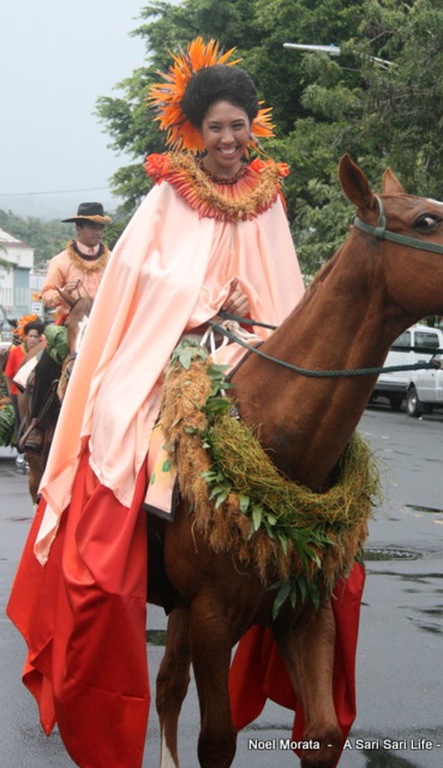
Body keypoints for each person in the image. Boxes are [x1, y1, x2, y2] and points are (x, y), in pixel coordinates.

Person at [6, 38, 358, 768]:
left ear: (252, 128)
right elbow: (143, 280)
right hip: (172, 348)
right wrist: (204, 303)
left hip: (251, 347)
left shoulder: (268, 196)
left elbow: (285, 286)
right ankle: (139, 547)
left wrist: (256, 316)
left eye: (240, 125)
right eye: (216, 127)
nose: (229, 140)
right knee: (120, 418)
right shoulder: (169, 193)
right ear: (193, 131)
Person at [21, 203, 111, 452]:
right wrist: (63, 295)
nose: (98, 232)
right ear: (79, 227)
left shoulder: (112, 260)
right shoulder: (60, 261)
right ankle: (38, 425)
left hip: (104, 327)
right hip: (69, 326)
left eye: (101, 226)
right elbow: (46, 295)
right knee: (48, 362)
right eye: (93, 226)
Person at [3, 317, 45, 461]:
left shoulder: (44, 353)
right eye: (31, 336)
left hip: (37, 393)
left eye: (36, 336)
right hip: (18, 392)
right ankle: (21, 450)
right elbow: (8, 374)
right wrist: (11, 392)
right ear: (25, 337)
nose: (33, 339)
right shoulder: (16, 353)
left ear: (41, 338)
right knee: (21, 421)